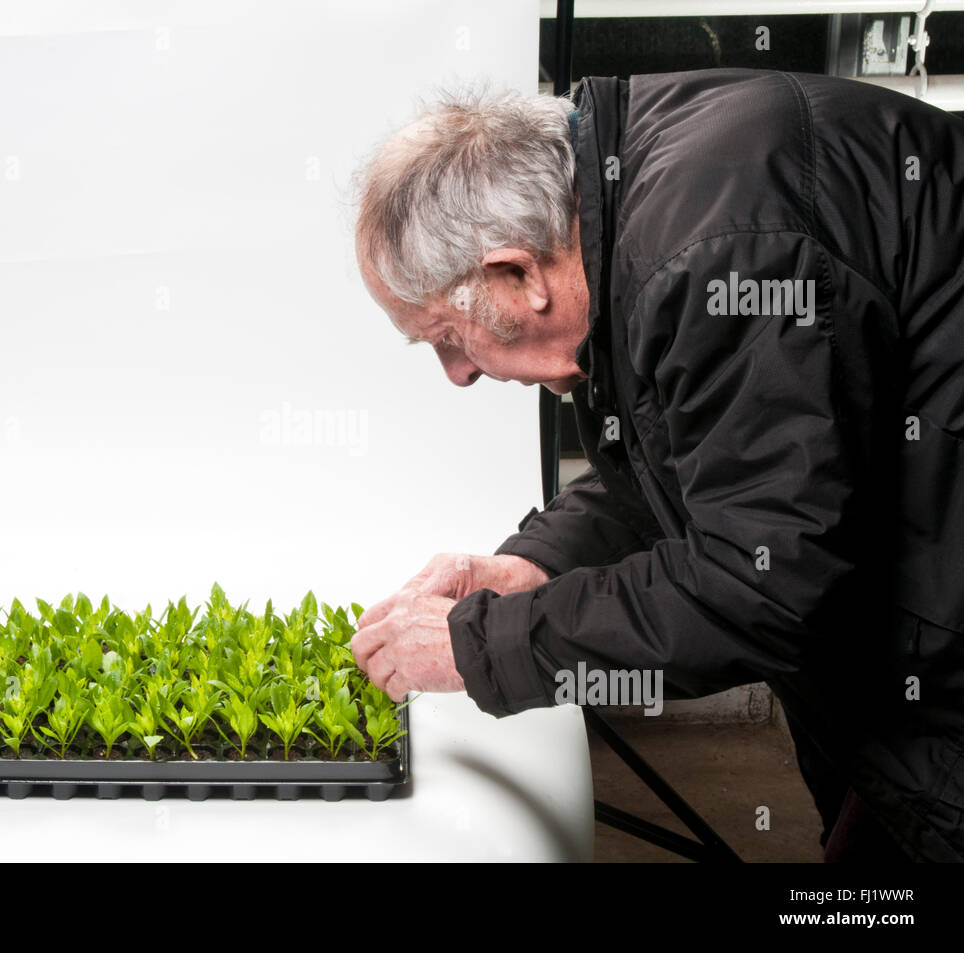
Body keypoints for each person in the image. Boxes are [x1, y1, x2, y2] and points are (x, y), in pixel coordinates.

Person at [349, 68, 964, 862]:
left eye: (445, 337)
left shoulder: (724, 258)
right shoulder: (627, 205)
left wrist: (487, 646)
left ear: (517, 275)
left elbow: (763, 580)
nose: (458, 374)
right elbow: (690, 467)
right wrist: (533, 566)